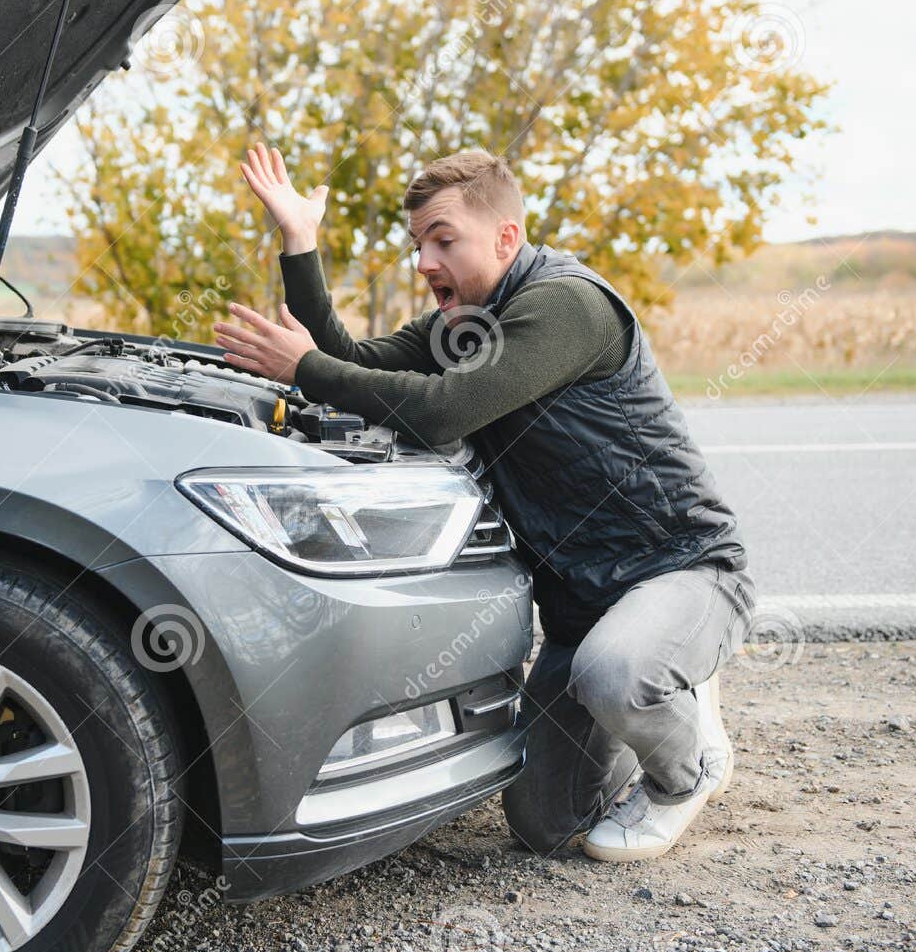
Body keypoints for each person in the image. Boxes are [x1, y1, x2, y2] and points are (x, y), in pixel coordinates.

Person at [213, 143, 755, 861]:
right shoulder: (460, 325)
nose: (424, 262)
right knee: (546, 824)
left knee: (613, 674)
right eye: (417, 244)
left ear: (506, 237)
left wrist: (307, 366)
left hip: (682, 569)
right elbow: (343, 358)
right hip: (582, 607)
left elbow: (442, 410)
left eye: (443, 240)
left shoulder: (567, 306)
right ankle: (659, 682)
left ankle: (687, 769)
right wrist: (298, 240)